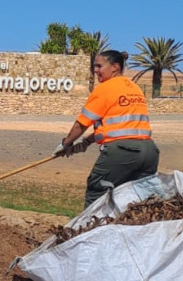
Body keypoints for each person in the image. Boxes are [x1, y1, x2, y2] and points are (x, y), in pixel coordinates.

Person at [56, 49, 159, 208]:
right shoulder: (134, 88)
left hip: (123, 151)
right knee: (138, 199)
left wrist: (66, 144)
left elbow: (82, 123)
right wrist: (87, 142)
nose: (95, 70)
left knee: (97, 190)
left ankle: (90, 230)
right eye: (94, 66)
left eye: (99, 66)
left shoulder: (106, 88)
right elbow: (119, 125)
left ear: (115, 67)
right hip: (149, 151)